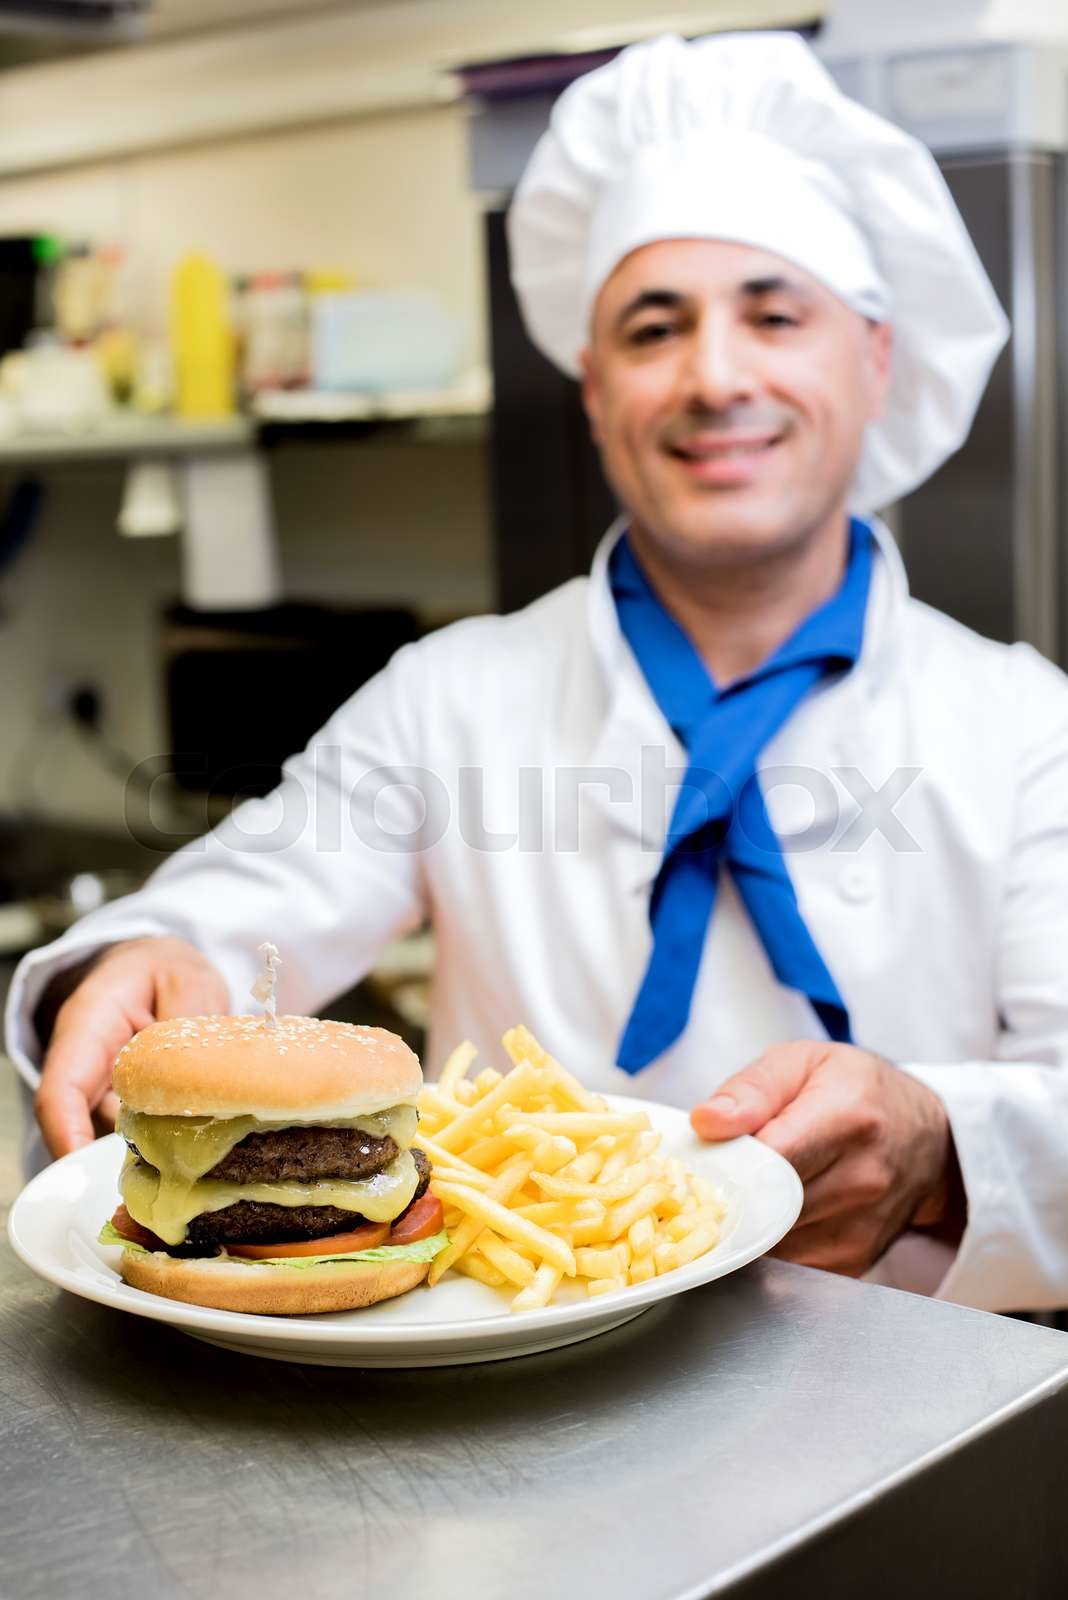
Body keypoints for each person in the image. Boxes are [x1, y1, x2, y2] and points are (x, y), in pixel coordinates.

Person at [7, 32, 1066, 1312]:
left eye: (774, 314)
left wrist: (944, 1144)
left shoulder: (1023, 725)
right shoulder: (452, 695)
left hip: (905, 1396)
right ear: (592, 386)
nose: (715, 377)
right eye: (652, 327)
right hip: (501, 1395)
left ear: (877, 357)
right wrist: (132, 959)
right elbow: (243, 906)